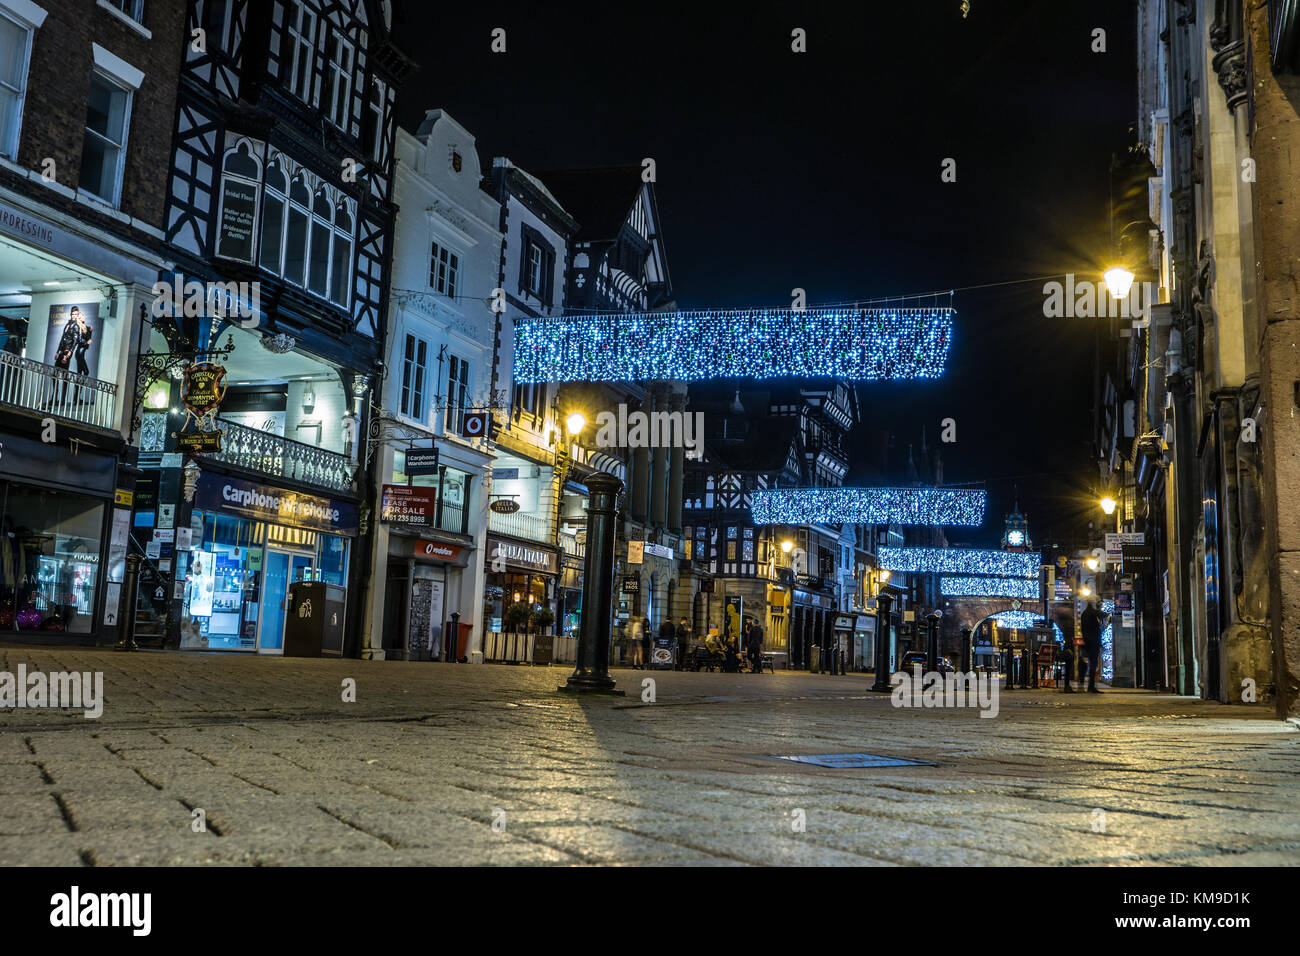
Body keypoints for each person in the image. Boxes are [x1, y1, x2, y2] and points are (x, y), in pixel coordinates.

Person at [1079, 600, 1107, 692]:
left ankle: (1082, 685)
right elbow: (1103, 614)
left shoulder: (1084, 613)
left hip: (1086, 642)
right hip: (1093, 642)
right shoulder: (1092, 612)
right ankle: (1091, 686)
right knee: (1093, 663)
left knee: (1085, 663)